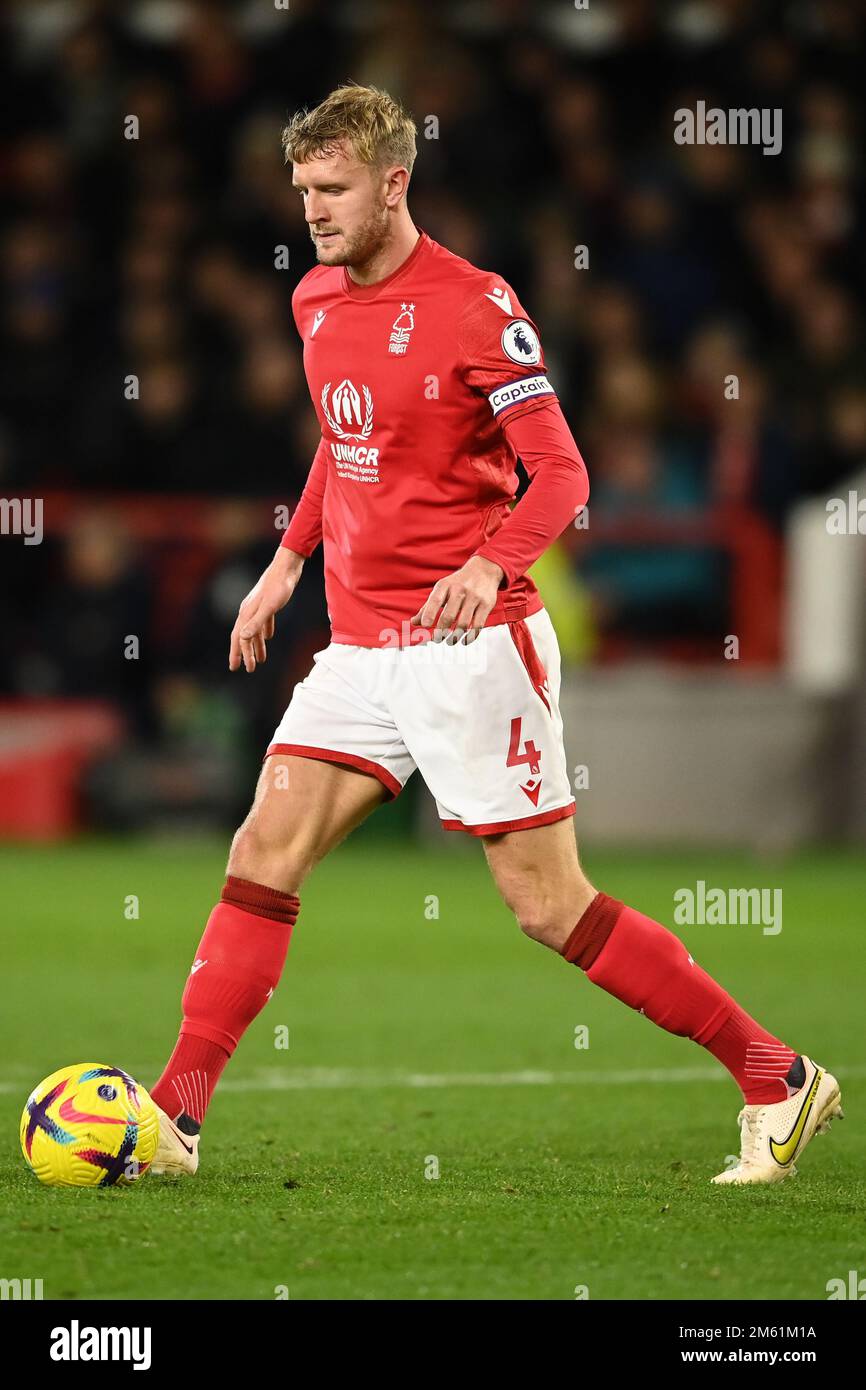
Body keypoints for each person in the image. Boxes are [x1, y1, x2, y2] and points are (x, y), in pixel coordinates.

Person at [149, 84, 841, 1186]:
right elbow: (342, 439)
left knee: (545, 907)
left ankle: (773, 1075)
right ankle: (171, 1123)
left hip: (474, 649)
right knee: (260, 852)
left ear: (392, 183)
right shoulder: (315, 300)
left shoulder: (476, 305)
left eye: (332, 191)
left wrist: (490, 561)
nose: (313, 213)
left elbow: (559, 471)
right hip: (362, 647)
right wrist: (287, 562)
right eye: (302, 192)